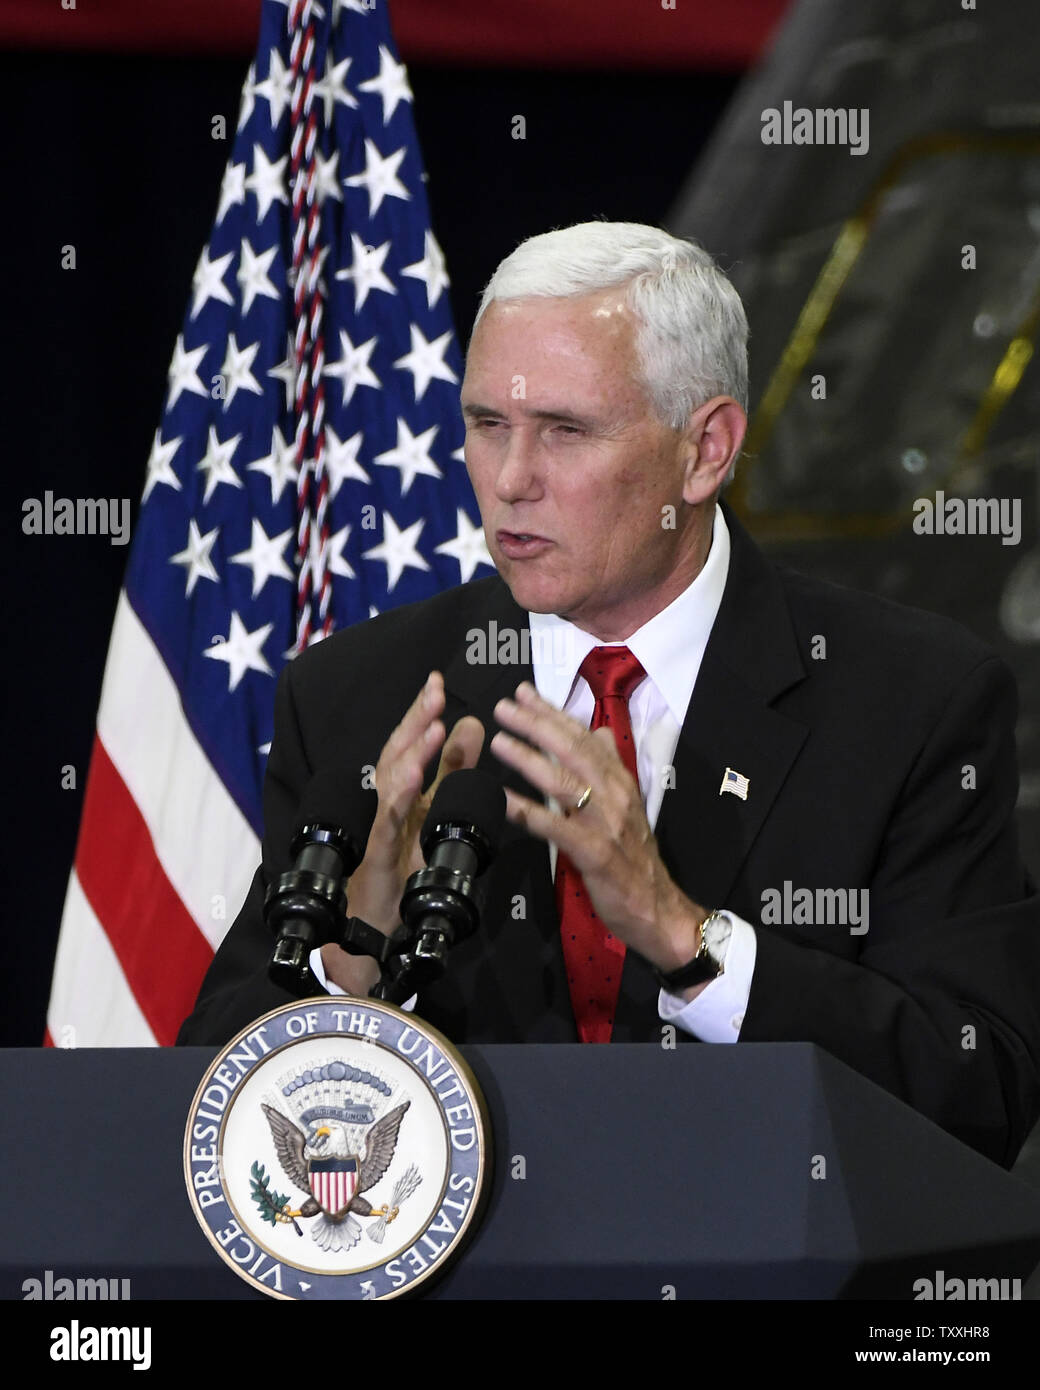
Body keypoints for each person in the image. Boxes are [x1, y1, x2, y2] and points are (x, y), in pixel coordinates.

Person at [178, 221, 1040, 1169]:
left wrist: (683, 935)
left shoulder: (909, 701)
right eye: (487, 425)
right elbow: (207, 1101)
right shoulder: (364, 694)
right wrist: (353, 961)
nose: (511, 481)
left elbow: (979, 1091)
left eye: (566, 431)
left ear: (705, 451)